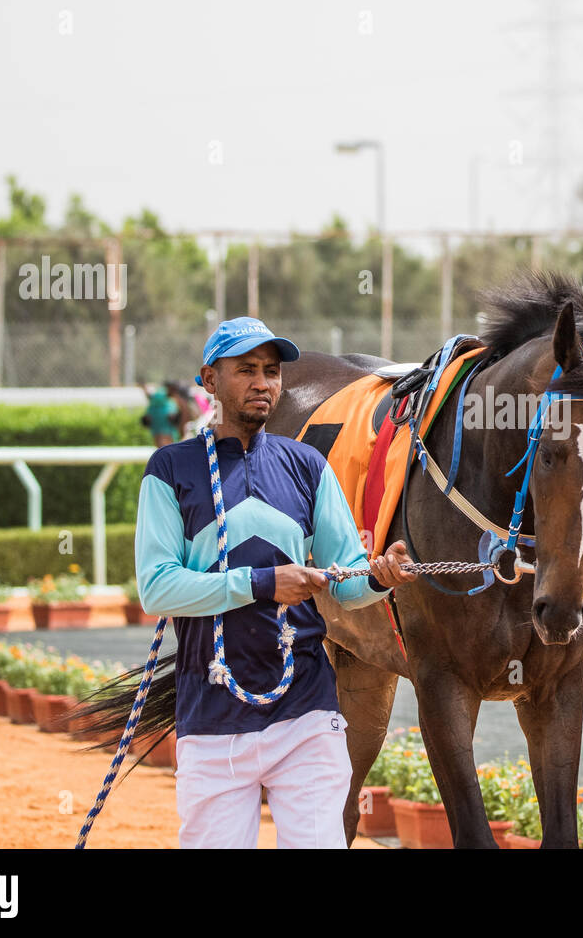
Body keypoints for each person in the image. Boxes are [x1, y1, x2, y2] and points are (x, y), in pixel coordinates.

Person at [134, 316, 418, 848]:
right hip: (211, 715)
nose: (263, 382)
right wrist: (262, 583)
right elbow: (157, 587)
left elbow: (345, 582)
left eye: (271, 371)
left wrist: (380, 577)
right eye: (246, 370)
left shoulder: (307, 465)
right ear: (209, 379)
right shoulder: (169, 469)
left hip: (306, 712)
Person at [138, 380, 181, 448]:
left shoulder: (154, 404)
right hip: (165, 430)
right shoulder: (170, 403)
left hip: (161, 430)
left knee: (162, 444)